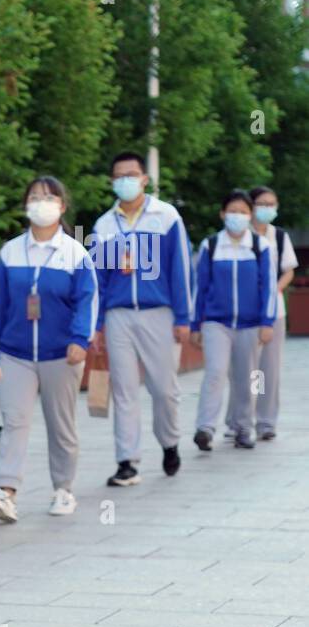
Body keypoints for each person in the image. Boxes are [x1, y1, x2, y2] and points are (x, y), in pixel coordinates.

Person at [0, 177, 98, 523]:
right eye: (34, 197)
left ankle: (63, 488)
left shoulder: (75, 254)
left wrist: (80, 339)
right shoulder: (11, 251)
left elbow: (87, 302)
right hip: (15, 354)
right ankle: (7, 491)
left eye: (49, 197)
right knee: (15, 421)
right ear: (25, 205)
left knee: (61, 424)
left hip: (61, 354)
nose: (41, 203)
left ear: (62, 206)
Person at [88, 152, 192, 486]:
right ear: (112, 182)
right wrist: (98, 324)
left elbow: (180, 269)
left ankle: (170, 441)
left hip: (158, 313)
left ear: (144, 179)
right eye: (119, 176)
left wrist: (183, 317)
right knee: (124, 390)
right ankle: (127, 461)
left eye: (131, 175)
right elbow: (99, 279)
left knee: (164, 389)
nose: (125, 181)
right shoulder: (104, 225)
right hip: (118, 315)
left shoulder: (166, 216)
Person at [191, 189, 274, 450]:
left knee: (249, 378)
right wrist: (196, 324)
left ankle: (243, 427)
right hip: (217, 323)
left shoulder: (261, 247)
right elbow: (200, 287)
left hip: (251, 324)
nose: (237, 216)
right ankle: (205, 428)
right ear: (222, 214)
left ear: (250, 216)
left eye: (243, 212)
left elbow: (268, 287)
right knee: (215, 373)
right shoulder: (212, 245)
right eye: (232, 211)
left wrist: (267, 322)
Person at [223, 185, 296, 441]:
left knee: (266, 371)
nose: (267, 209)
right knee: (242, 370)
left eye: (272, 204)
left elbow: (289, 269)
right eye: (262, 204)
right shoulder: (239, 235)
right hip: (244, 314)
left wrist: (275, 288)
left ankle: (265, 421)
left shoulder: (278, 237)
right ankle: (238, 420)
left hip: (273, 314)